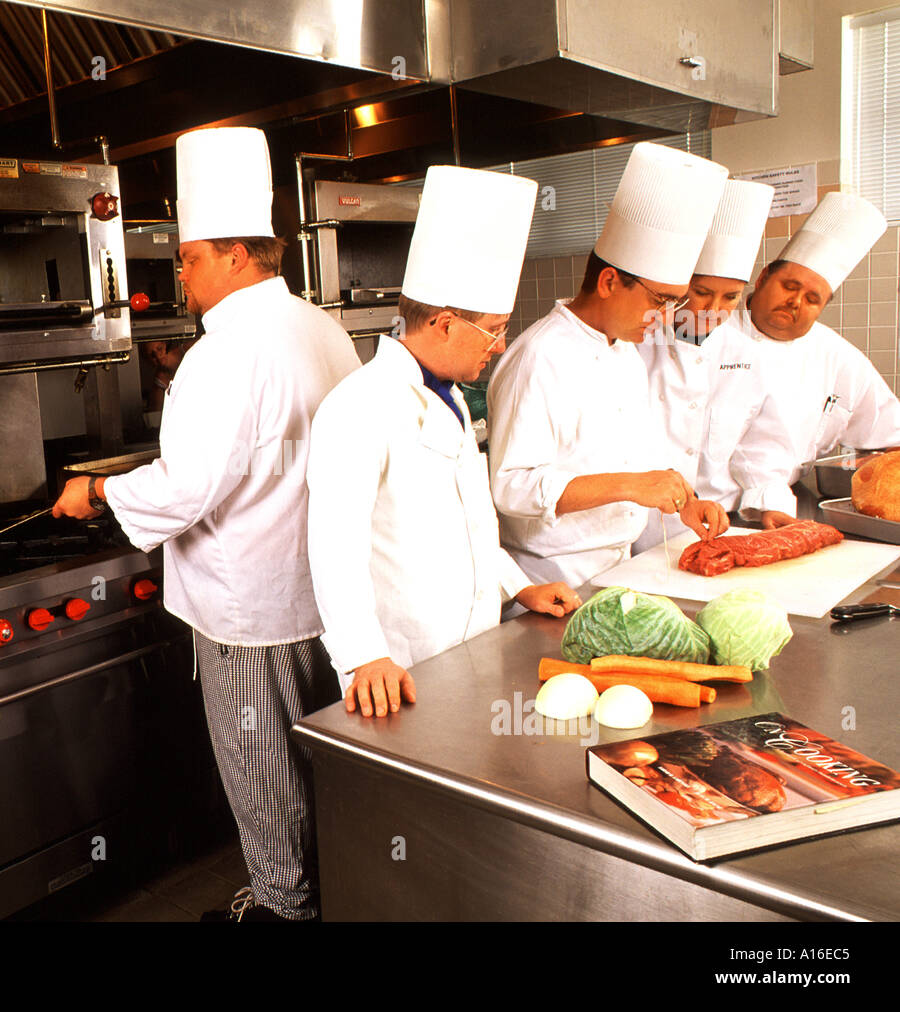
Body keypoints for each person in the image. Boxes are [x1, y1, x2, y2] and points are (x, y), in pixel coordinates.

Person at [52, 127, 360, 923]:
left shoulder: (225, 350)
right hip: (326, 598)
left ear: (233, 254)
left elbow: (190, 486)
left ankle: (282, 909)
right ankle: (332, 892)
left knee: (264, 770)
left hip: (248, 607)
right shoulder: (322, 329)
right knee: (322, 763)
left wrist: (98, 494)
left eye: (187, 258)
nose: (181, 277)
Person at [306, 166, 580, 720]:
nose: (501, 347)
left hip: (471, 651)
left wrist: (517, 585)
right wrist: (364, 655)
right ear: (447, 323)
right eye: (494, 330)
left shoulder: (451, 398)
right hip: (400, 668)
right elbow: (334, 542)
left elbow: (468, 523)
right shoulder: (359, 405)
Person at [487, 142, 731, 588]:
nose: (667, 316)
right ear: (608, 281)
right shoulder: (539, 357)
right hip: (556, 578)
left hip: (622, 569)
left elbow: (642, 458)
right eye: (659, 300)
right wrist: (630, 485)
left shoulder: (625, 352)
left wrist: (686, 500)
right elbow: (512, 486)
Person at [713, 193, 900, 527]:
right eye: (789, 286)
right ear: (763, 278)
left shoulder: (836, 354)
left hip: (785, 509)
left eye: (813, 299)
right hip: (705, 508)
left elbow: (890, 433)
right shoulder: (709, 333)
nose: (796, 301)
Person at [634, 178, 789, 552]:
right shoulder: (636, 343)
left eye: (730, 296)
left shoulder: (745, 353)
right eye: (701, 293)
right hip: (635, 529)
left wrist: (769, 501)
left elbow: (760, 445)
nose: (713, 308)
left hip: (719, 526)